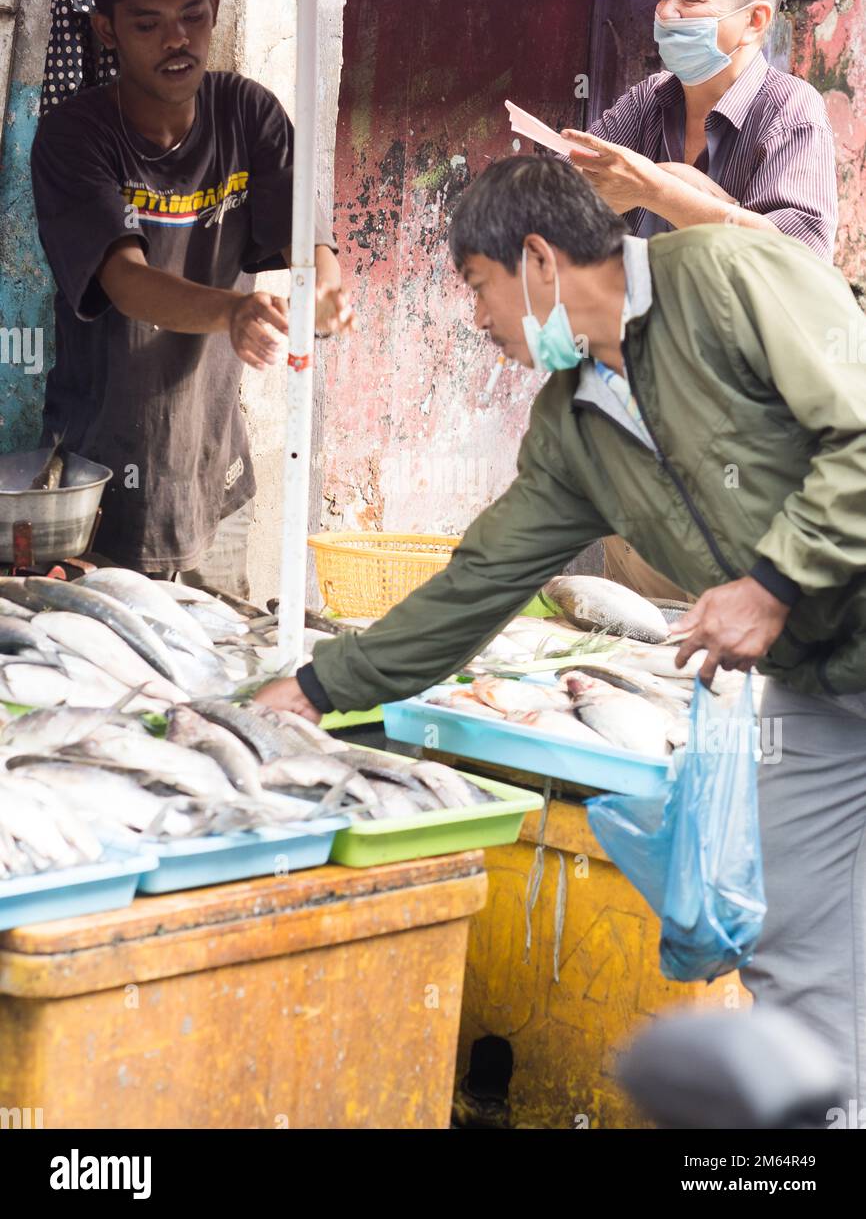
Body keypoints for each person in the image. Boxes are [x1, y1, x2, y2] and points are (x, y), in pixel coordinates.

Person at [258, 156, 866, 1104]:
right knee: (792, 940)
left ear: (537, 258)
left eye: (476, 286)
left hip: (825, 629)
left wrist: (772, 582)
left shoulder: (730, 277)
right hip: (821, 685)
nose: (478, 319)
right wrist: (318, 687)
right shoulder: (573, 423)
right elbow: (481, 577)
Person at [30, 0, 353, 596]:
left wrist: (325, 290)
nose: (176, 40)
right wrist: (231, 313)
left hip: (213, 471)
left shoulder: (249, 112)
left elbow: (309, 240)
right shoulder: (73, 136)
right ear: (106, 30)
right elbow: (125, 280)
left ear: (213, 5)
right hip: (97, 482)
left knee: (220, 675)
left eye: (192, 16)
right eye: (148, 23)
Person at [559, 0, 839, 600]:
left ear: (755, 20)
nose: (667, 13)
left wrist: (659, 191)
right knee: (640, 626)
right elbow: (571, 195)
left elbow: (794, 258)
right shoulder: (649, 102)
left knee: (722, 643)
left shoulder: (791, 113)